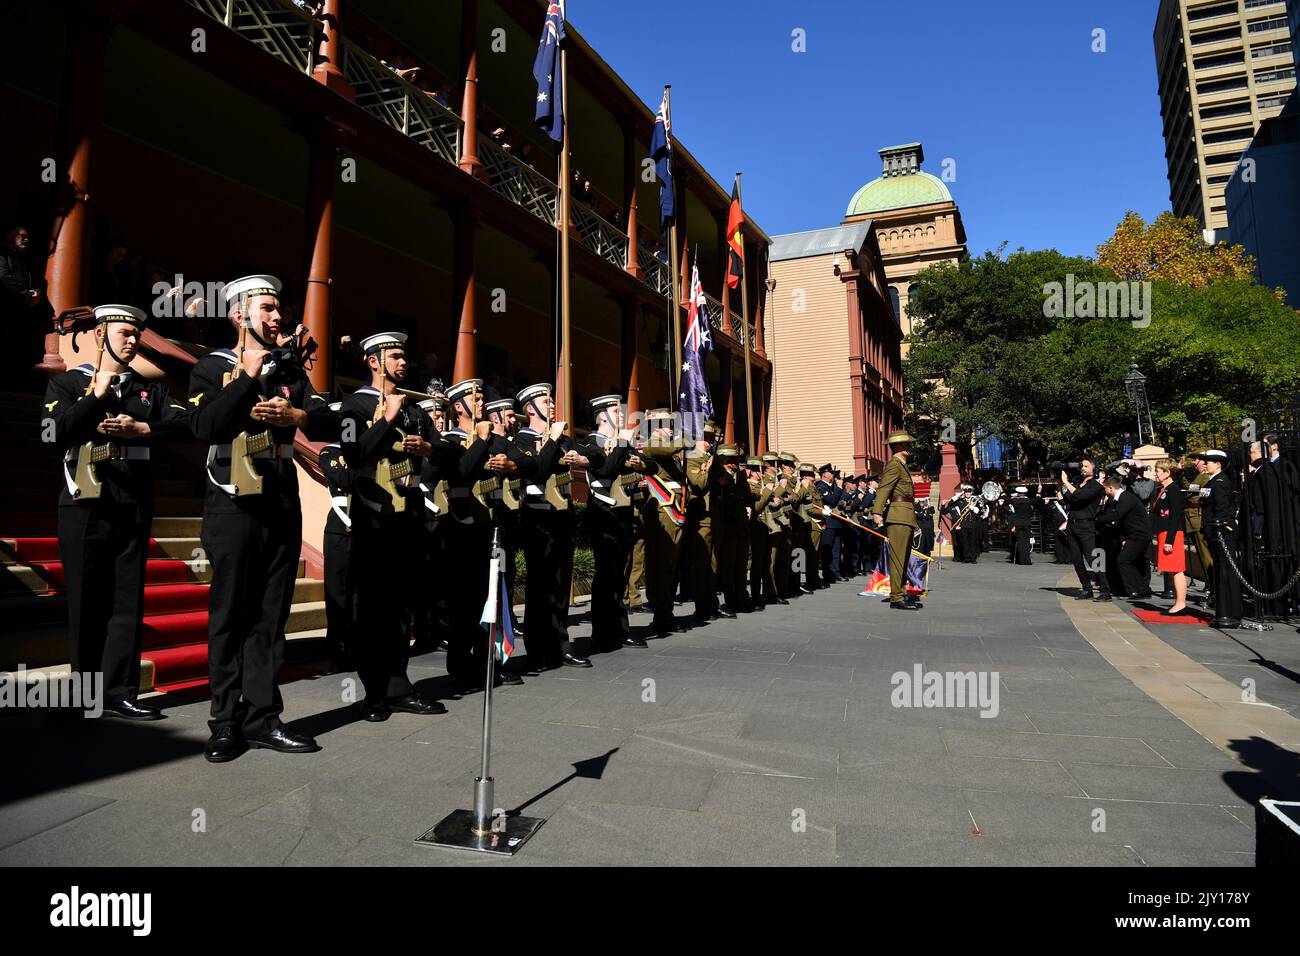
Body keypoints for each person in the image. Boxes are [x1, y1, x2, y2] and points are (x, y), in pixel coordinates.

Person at [189, 275, 339, 761]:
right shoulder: (211, 368)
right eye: (269, 309)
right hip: (231, 506)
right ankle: (224, 722)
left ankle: (263, 717)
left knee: (270, 619)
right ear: (240, 315)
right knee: (230, 613)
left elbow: (335, 419)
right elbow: (205, 426)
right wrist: (248, 379)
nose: (279, 318)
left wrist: (298, 418)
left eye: (280, 309)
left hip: (280, 504)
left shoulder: (292, 371)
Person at [44, 304, 191, 720]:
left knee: (127, 600)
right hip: (84, 503)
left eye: (136, 335)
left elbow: (189, 423)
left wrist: (145, 428)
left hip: (133, 500)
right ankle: (85, 694)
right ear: (99, 335)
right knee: (88, 599)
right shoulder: (69, 383)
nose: (132, 341)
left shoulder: (150, 389)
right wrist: (95, 397)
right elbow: (52, 434)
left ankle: (122, 691)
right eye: (124, 332)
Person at [338, 333, 447, 720]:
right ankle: (373, 693)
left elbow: (447, 450)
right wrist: (385, 418)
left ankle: (399, 685)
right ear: (373, 361)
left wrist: (429, 449)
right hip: (373, 517)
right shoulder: (353, 406)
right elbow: (353, 454)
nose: (403, 363)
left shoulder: (415, 410)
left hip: (410, 516)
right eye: (395, 356)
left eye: (404, 356)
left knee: (401, 606)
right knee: (372, 607)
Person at [512, 383, 595, 667]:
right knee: (539, 589)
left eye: (550, 400)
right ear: (530, 408)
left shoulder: (563, 440)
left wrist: (582, 457)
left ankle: (560, 644)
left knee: (560, 586)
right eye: (545, 401)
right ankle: (537, 650)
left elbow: (596, 455)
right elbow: (536, 469)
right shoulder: (520, 442)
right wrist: (552, 440)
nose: (551, 405)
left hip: (563, 520)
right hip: (538, 522)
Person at [579, 394, 652, 651]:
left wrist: (640, 462)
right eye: (615, 411)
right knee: (605, 577)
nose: (621, 414)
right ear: (601, 416)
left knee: (619, 577)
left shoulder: (622, 443)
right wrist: (622, 445)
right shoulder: (590, 443)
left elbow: (651, 466)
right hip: (602, 516)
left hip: (622, 516)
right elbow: (605, 470)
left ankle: (620, 630)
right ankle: (601, 632)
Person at [872, 430, 920, 610]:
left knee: (904, 557)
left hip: (905, 515)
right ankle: (896, 597)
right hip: (898, 516)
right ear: (899, 446)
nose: (909, 446)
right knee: (898, 558)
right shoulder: (894, 465)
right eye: (906, 444)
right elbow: (884, 489)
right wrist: (877, 513)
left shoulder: (902, 465)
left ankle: (901, 592)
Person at [2, 223, 54, 381]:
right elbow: (3, 277)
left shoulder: (24, 258)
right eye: (22, 236)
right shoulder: (3, 253)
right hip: (7, 309)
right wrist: (26, 295)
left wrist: (36, 293)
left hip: (24, 312)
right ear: (10, 235)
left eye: (27, 237)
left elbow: (34, 280)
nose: (26, 240)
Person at [1199, 449, 1242, 628]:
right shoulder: (1213, 481)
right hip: (1215, 533)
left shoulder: (1220, 481)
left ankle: (1230, 612)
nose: (1205, 464)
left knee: (1226, 572)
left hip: (1222, 533)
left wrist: (1218, 528)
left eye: (1208, 461)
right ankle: (1225, 609)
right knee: (1220, 571)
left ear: (1218, 464)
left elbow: (1223, 509)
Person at [1059, 457, 1108, 601]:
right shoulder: (1078, 484)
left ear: (1094, 468)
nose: (1083, 468)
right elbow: (1070, 499)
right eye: (1082, 466)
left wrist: (1066, 482)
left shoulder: (1096, 486)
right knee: (1076, 559)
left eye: (1086, 466)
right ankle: (1086, 588)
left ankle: (1105, 590)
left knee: (1093, 558)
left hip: (1086, 525)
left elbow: (1080, 497)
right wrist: (1062, 491)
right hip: (1073, 524)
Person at [1096, 475, 1152, 599]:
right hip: (1134, 534)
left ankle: (1134, 590)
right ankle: (1142, 589)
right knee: (1131, 561)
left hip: (1140, 534)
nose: (1105, 492)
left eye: (1105, 489)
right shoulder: (1121, 498)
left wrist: (1096, 519)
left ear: (1110, 488)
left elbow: (1117, 515)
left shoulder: (1125, 497)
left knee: (1123, 560)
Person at [1150, 459, 1189, 615]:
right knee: (1172, 569)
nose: (1156, 473)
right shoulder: (1163, 489)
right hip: (1163, 532)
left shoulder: (1173, 490)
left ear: (1167, 473)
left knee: (1177, 569)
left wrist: (1169, 540)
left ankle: (1181, 603)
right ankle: (1178, 602)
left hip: (1171, 534)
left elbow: (1175, 516)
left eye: (1159, 470)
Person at [815, 464, 842, 581]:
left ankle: (835, 572)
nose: (832, 475)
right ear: (824, 474)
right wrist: (839, 488)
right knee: (827, 549)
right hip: (828, 522)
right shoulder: (821, 486)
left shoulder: (831, 486)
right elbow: (831, 500)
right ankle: (828, 574)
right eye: (830, 472)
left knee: (836, 550)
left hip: (836, 522)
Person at [1005, 486, 1036, 565]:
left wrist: (1002, 491)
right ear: (1025, 493)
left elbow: (1005, 498)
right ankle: (1027, 560)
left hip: (1018, 523)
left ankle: (1021, 560)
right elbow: (1037, 499)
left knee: (1020, 542)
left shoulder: (1015, 501)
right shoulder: (1028, 501)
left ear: (1018, 494)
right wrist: (1039, 491)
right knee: (1026, 542)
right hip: (1027, 523)